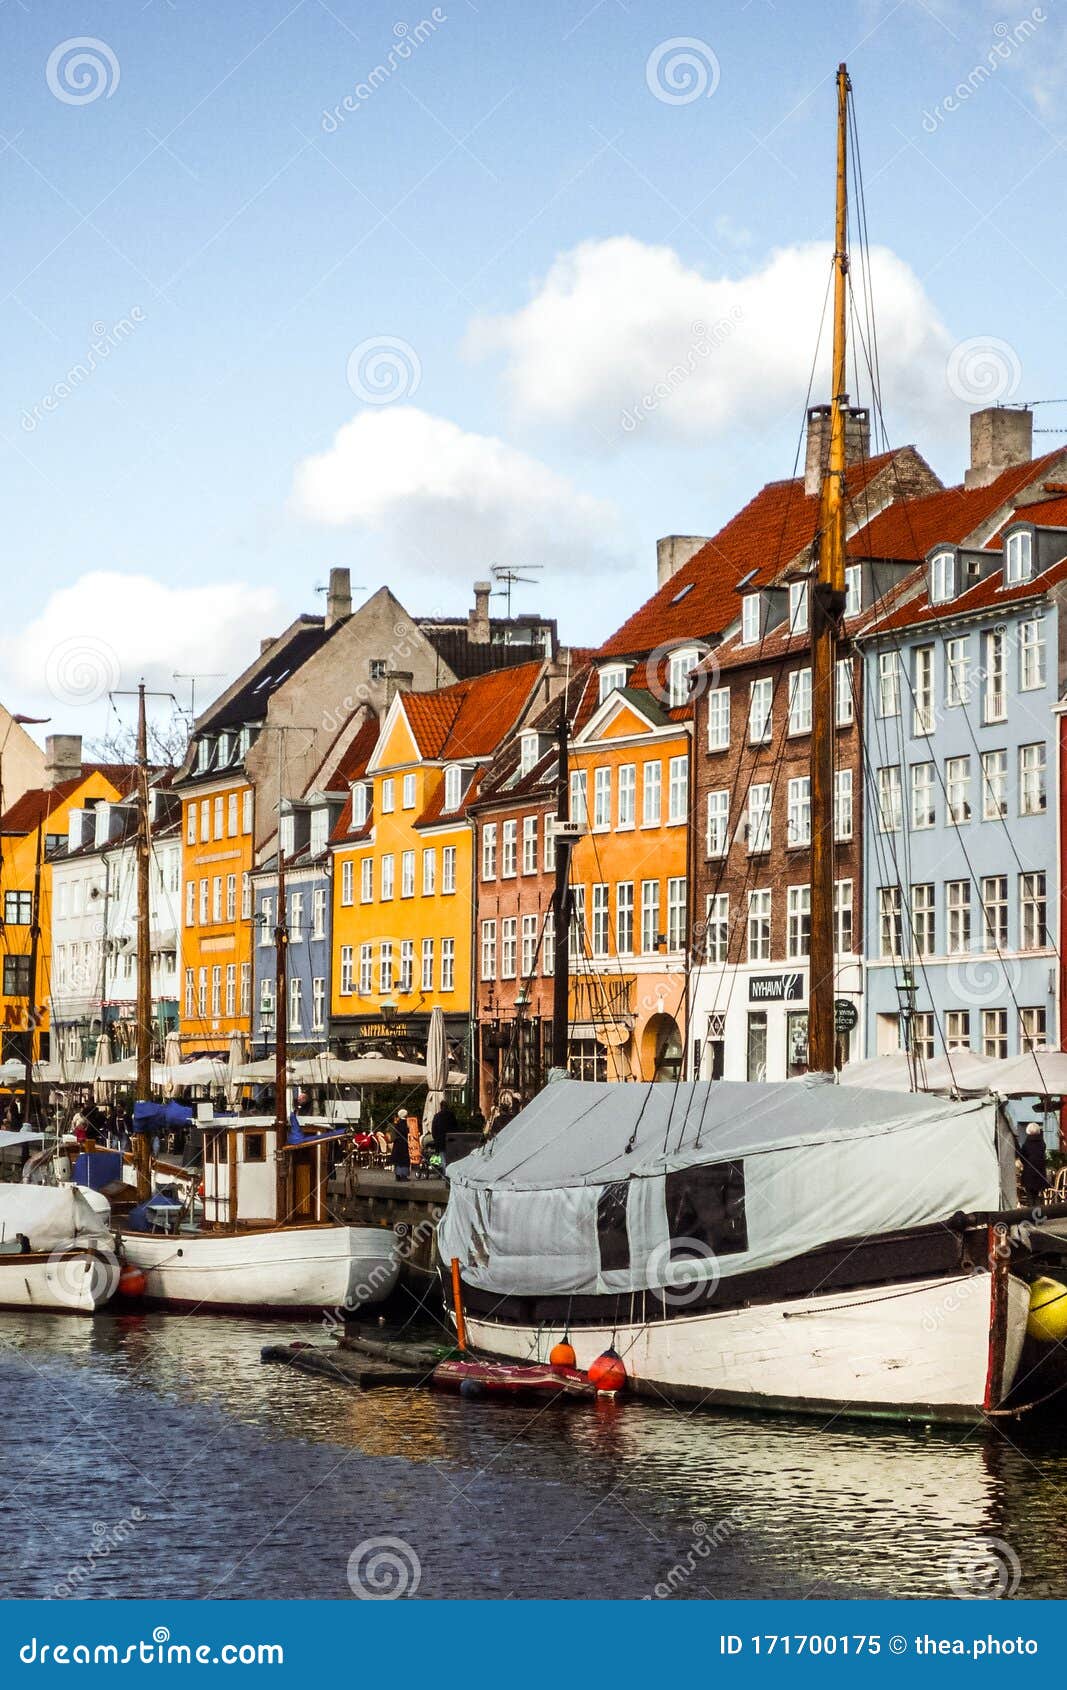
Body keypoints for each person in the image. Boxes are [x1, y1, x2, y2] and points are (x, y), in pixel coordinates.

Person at [1019, 1122, 1048, 1202]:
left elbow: (1022, 1157)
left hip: (1029, 1172)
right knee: (1037, 1196)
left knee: (1030, 1196)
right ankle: (1038, 1211)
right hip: (1040, 1172)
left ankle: (1032, 1211)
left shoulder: (1026, 1144)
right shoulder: (1042, 1143)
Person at [430, 1100, 456, 1170]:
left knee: (442, 1156)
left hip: (440, 1140)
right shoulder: (451, 1115)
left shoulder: (437, 1116)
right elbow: (456, 1127)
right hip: (451, 1139)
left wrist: (435, 1138)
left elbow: (434, 1129)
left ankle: (445, 1172)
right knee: (450, 1157)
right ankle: (450, 1171)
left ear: (441, 1107)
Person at [391, 1111, 411, 1182]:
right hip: (403, 1143)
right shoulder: (404, 1123)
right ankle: (403, 1175)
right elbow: (405, 1131)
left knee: (398, 1159)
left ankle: (397, 1175)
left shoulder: (397, 1123)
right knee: (404, 1159)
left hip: (397, 1143)